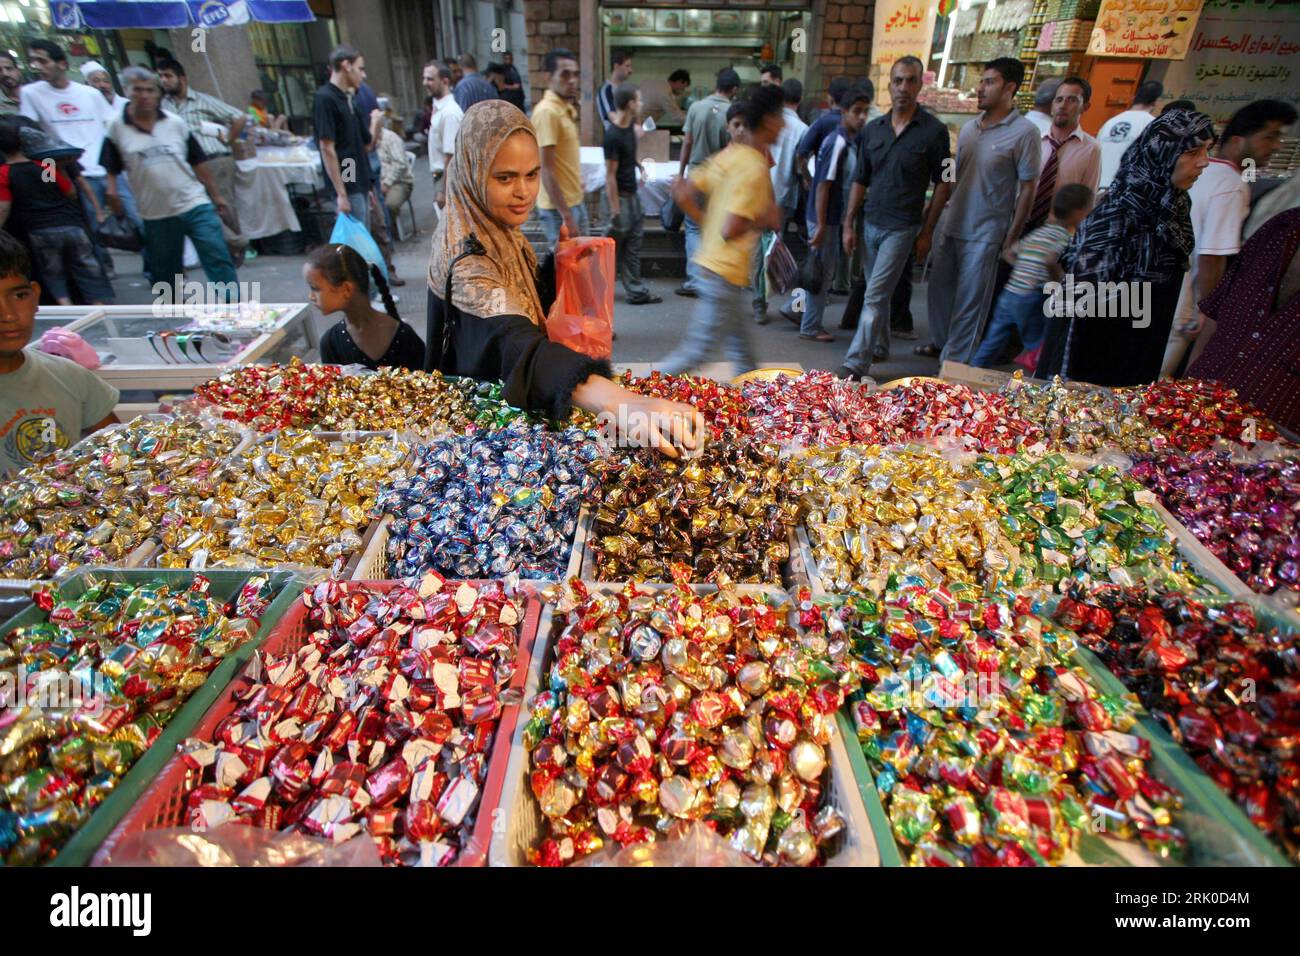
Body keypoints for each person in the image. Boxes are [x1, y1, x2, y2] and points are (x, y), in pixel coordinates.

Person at [425, 99, 703, 454]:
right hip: (481, 429)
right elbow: (514, 341)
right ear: (472, 172)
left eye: (532, 174)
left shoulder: (496, 227)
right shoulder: (465, 257)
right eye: (505, 177)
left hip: (511, 401)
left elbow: (522, 303)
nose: (523, 192)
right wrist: (618, 401)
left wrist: (556, 268)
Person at [1037, 110, 1214, 386]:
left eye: (1207, 150)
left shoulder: (1173, 208)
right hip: (1096, 359)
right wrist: (1066, 383)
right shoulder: (1117, 214)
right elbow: (1075, 311)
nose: (1203, 162)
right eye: (1192, 152)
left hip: (1143, 344)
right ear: (1160, 153)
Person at [1161, 99, 1298, 378]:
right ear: (1237, 141)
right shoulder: (1231, 185)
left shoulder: (1197, 170)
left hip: (1159, 297)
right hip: (1182, 305)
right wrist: (1208, 311)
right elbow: (1212, 256)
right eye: (1269, 137)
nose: (1276, 146)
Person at [920, 58, 1040, 364]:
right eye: (982, 81)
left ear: (1010, 88)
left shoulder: (1024, 132)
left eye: (989, 82)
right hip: (952, 222)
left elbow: (1028, 188)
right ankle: (944, 346)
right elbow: (954, 174)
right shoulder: (970, 129)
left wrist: (1012, 235)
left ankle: (954, 368)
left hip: (986, 232)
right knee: (938, 293)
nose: (981, 88)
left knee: (970, 304)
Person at [838, 56, 952, 380]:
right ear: (889, 85)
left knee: (874, 294)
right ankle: (880, 346)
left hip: (902, 228)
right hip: (870, 222)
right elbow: (859, 179)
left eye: (910, 80)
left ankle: (856, 363)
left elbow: (946, 180)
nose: (903, 87)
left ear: (920, 85)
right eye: (898, 80)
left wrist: (927, 231)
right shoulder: (873, 130)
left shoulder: (935, 132)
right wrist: (848, 224)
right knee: (879, 290)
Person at [659, 87, 785, 376]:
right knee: (696, 352)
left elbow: (683, 191)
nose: (784, 125)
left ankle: (754, 399)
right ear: (767, 121)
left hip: (716, 269)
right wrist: (765, 218)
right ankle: (630, 394)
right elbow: (732, 229)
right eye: (780, 118)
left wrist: (706, 223)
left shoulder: (732, 155)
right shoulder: (754, 167)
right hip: (723, 274)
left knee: (742, 351)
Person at [101, 66, 240, 305]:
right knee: (165, 267)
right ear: (127, 91)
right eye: (138, 90)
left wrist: (216, 196)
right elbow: (111, 166)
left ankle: (235, 306)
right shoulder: (116, 126)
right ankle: (173, 313)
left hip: (194, 202)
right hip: (156, 212)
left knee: (217, 254)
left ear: (158, 93)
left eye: (150, 90)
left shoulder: (175, 123)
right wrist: (112, 193)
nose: (144, 95)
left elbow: (198, 162)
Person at [0, 232, 118, 477]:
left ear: (35, 296)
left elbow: (119, 454)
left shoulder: (69, 375)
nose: (8, 315)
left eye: (18, 296)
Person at [1187, 207, 1300, 432]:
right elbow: (1216, 315)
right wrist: (1184, 383)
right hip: (1188, 410)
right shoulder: (1281, 228)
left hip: (1271, 448)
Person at [784, 82, 872, 343]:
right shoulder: (838, 143)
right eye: (857, 111)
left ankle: (798, 312)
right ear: (843, 111)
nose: (862, 117)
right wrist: (822, 224)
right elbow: (824, 185)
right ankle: (810, 326)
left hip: (827, 215)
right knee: (822, 274)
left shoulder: (845, 140)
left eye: (866, 111)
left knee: (819, 269)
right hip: (826, 217)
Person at [19, 40, 116, 278]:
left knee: (134, 219)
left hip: (105, 167)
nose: (37, 66)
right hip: (69, 171)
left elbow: (112, 126)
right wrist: (49, 177)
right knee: (88, 227)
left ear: (62, 63)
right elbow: (32, 136)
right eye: (33, 61)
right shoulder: (30, 93)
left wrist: (121, 166)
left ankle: (156, 275)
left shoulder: (90, 94)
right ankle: (102, 273)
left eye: (42, 60)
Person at [971, 183, 1093, 369]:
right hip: (1030, 297)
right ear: (1079, 213)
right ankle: (1042, 376)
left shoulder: (1039, 233)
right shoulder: (1066, 239)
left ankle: (971, 374)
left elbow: (1009, 253)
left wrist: (1024, 266)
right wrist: (1058, 281)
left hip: (1010, 293)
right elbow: (1051, 260)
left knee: (992, 341)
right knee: (1040, 344)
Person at [0, 116, 114, 305]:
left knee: (54, 273)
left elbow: (4, 206)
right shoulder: (45, 165)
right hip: (70, 225)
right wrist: (60, 169)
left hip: (40, 230)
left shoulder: (4, 173)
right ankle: (97, 305)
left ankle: (66, 307)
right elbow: (70, 193)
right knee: (87, 268)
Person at [158, 58, 248, 258]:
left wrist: (229, 139)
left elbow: (239, 116)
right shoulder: (163, 106)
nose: (164, 81)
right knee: (201, 206)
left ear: (182, 79)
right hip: (186, 165)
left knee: (223, 204)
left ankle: (236, 248)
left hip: (214, 159)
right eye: (161, 76)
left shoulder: (201, 100)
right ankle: (234, 243)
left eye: (168, 76)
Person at [306, 243, 422, 371]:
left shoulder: (404, 337)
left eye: (315, 288)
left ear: (346, 289)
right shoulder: (331, 343)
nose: (310, 296)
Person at [676, 67, 740, 297]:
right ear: (733, 90)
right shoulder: (732, 114)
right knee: (717, 226)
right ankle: (714, 276)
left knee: (693, 228)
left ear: (716, 85)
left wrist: (682, 172)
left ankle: (694, 280)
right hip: (721, 179)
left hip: (695, 175)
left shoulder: (696, 107)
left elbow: (687, 142)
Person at [753, 77, 808, 325]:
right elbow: (802, 166)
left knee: (761, 251)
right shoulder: (801, 129)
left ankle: (760, 301)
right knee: (770, 249)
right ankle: (766, 297)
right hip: (782, 197)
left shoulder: (768, 125)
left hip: (763, 195)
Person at [604, 83, 660, 306]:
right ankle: (597, 297)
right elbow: (610, 176)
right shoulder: (613, 135)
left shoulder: (629, 129)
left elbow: (627, 157)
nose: (642, 103)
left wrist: (640, 167)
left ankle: (636, 292)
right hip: (622, 199)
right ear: (630, 104)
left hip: (633, 197)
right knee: (610, 253)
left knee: (634, 248)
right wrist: (615, 209)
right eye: (639, 100)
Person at [313, 45, 384, 224]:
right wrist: (342, 194)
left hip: (357, 176)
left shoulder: (348, 99)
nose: (363, 74)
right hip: (349, 179)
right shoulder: (326, 98)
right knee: (356, 241)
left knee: (366, 235)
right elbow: (327, 147)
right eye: (360, 68)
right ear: (346, 65)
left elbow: (362, 146)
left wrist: (364, 184)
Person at [1025, 76, 1100, 233]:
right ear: (1052, 105)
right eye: (1059, 100)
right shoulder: (1035, 139)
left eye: (1072, 100)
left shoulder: (1091, 148)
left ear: (1085, 106)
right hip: (1020, 222)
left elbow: (1087, 198)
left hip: (1056, 232)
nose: (1063, 105)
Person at [532, 49, 586, 245]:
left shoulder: (564, 108)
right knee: (565, 271)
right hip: (559, 210)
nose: (572, 80)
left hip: (573, 202)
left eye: (575, 74)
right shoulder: (547, 112)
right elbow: (545, 169)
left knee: (581, 266)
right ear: (548, 77)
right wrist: (567, 216)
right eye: (564, 74)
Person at [1097, 80, 1161, 190]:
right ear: (1156, 101)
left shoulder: (1110, 122)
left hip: (1096, 188)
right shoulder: (1153, 125)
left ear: (1134, 97)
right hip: (1122, 192)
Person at [795, 77, 851, 188]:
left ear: (830, 99)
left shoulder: (820, 123)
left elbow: (800, 156)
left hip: (820, 188)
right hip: (845, 192)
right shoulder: (853, 125)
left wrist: (810, 181)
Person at [423, 61, 462, 214]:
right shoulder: (440, 109)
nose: (425, 83)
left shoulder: (450, 113)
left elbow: (451, 156)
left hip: (447, 181)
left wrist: (443, 191)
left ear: (445, 81)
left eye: (430, 79)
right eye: (425, 78)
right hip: (440, 177)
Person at [376, 124, 414, 221]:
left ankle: (391, 232)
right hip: (374, 183)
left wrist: (386, 183)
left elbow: (400, 164)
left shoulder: (390, 138)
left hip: (398, 182)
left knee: (389, 205)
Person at [597, 50, 634, 128]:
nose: (630, 70)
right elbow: (614, 118)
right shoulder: (606, 90)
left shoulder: (626, 90)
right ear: (616, 66)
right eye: (627, 66)